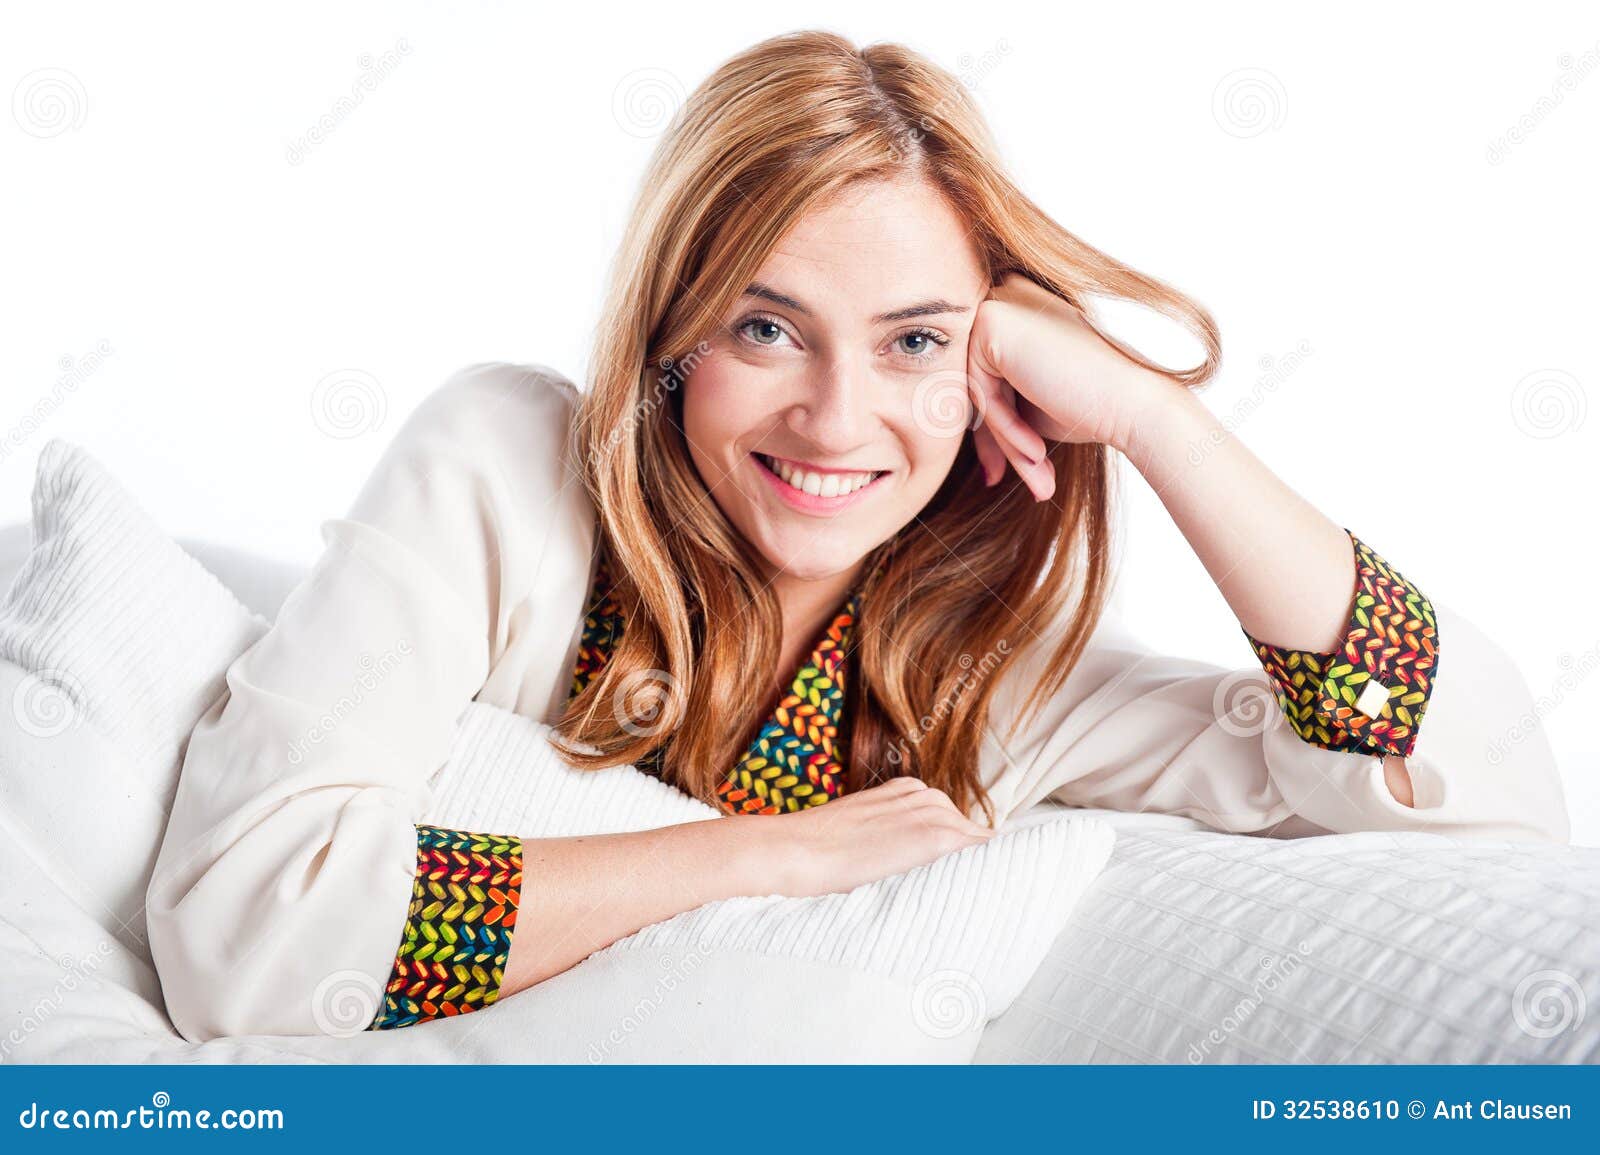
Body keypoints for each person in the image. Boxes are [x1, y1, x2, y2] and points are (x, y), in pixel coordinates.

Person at [144, 29, 1569, 1043]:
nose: (835, 418)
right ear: (669, 335)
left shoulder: (995, 680)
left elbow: (1466, 794)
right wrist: (761, 860)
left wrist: (1153, 421)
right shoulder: (504, 465)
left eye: (912, 343)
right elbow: (248, 943)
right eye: (767, 328)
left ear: (990, 369)